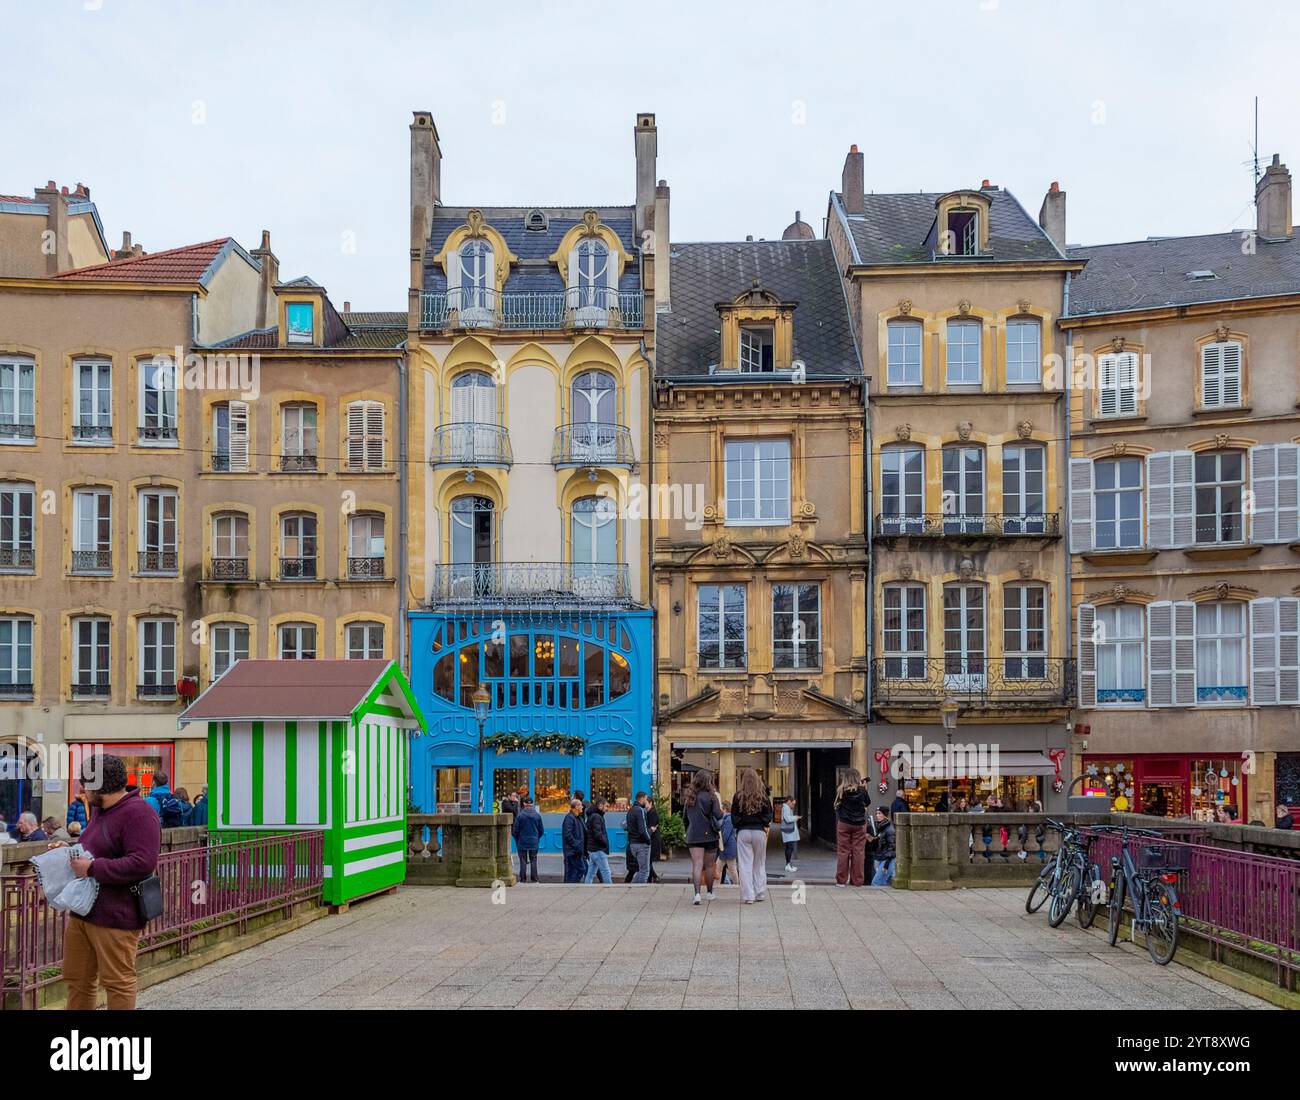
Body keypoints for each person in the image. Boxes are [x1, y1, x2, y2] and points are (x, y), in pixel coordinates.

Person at [56, 753, 162, 1010]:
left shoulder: (139, 813)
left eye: (86, 783)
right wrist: (69, 849)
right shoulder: (100, 811)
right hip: (84, 912)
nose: (82, 788)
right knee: (78, 980)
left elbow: (142, 863)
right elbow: (96, 847)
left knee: (117, 982)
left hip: (116, 915)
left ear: (100, 785)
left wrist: (92, 868)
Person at [732, 769, 773, 904]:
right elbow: (768, 816)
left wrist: (743, 821)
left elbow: (734, 819)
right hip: (759, 832)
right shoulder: (763, 796)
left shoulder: (738, 796)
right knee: (759, 863)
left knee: (744, 864)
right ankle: (760, 892)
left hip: (743, 832)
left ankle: (749, 895)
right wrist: (760, 821)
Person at [682, 770, 723, 904]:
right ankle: (710, 892)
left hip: (694, 834)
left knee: (697, 864)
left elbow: (685, 818)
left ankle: (697, 894)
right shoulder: (712, 796)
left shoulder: (690, 796)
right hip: (710, 834)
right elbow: (718, 815)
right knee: (710, 865)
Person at [834, 769, 870, 887]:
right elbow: (867, 803)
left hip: (844, 823)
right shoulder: (862, 791)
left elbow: (836, 806)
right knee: (858, 852)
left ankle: (841, 880)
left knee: (843, 852)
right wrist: (864, 788)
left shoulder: (841, 791)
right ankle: (857, 881)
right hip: (859, 824)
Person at [511, 797, 544, 883]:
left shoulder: (520, 816)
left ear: (524, 804)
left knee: (523, 860)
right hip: (534, 841)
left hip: (522, 841)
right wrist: (536, 838)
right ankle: (534, 879)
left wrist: (517, 839)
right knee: (533, 860)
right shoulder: (537, 815)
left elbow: (515, 830)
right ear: (532, 804)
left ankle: (523, 879)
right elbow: (541, 830)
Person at [582, 797, 613, 883]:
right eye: (606, 806)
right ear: (600, 805)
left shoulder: (594, 815)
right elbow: (598, 834)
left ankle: (587, 888)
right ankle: (610, 890)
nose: (607, 809)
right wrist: (605, 843)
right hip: (598, 849)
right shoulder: (596, 817)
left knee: (591, 873)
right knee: (606, 872)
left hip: (593, 849)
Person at [626, 791, 653, 884]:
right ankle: (640, 891)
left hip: (633, 843)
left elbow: (627, 827)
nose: (646, 801)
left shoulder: (631, 810)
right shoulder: (640, 810)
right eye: (645, 799)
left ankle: (632, 887)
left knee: (641, 870)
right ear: (641, 798)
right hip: (641, 844)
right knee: (644, 871)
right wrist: (648, 840)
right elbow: (642, 830)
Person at [562, 798, 587, 883]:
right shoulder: (569, 818)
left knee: (575, 870)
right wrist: (576, 845)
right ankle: (571, 884)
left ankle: (571, 884)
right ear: (576, 806)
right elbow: (567, 834)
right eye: (581, 805)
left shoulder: (578, 818)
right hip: (573, 851)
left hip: (577, 850)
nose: (582, 807)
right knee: (580, 869)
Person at [871, 807, 897, 886]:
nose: (877, 815)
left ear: (885, 815)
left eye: (879, 813)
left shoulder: (889, 829)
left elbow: (892, 848)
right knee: (885, 883)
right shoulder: (881, 828)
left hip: (888, 860)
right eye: (876, 813)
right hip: (882, 858)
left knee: (876, 882)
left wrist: (886, 865)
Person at [717, 801, 737, 886]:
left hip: (727, 848)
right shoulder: (728, 818)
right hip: (726, 848)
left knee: (732, 869)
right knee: (719, 868)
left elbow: (725, 835)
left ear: (725, 809)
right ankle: (716, 885)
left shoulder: (728, 819)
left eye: (721, 808)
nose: (720, 810)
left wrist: (720, 843)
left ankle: (738, 885)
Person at [780, 795, 801, 872]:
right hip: (788, 831)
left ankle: (788, 864)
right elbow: (788, 819)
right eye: (793, 804)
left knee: (789, 847)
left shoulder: (787, 807)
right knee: (790, 847)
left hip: (789, 831)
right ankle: (788, 865)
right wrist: (796, 817)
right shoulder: (786, 808)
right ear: (789, 801)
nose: (793, 805)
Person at [645, 795, 662, 883]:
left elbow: (652, 827)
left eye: (646, 803)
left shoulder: (652, 812)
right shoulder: (649, 812)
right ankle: (651, 878)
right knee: (648, 860)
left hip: (653, 839)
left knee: (648, 860)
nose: (645, 805)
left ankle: (654, 877)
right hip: (652, 838)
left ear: (650, 803)